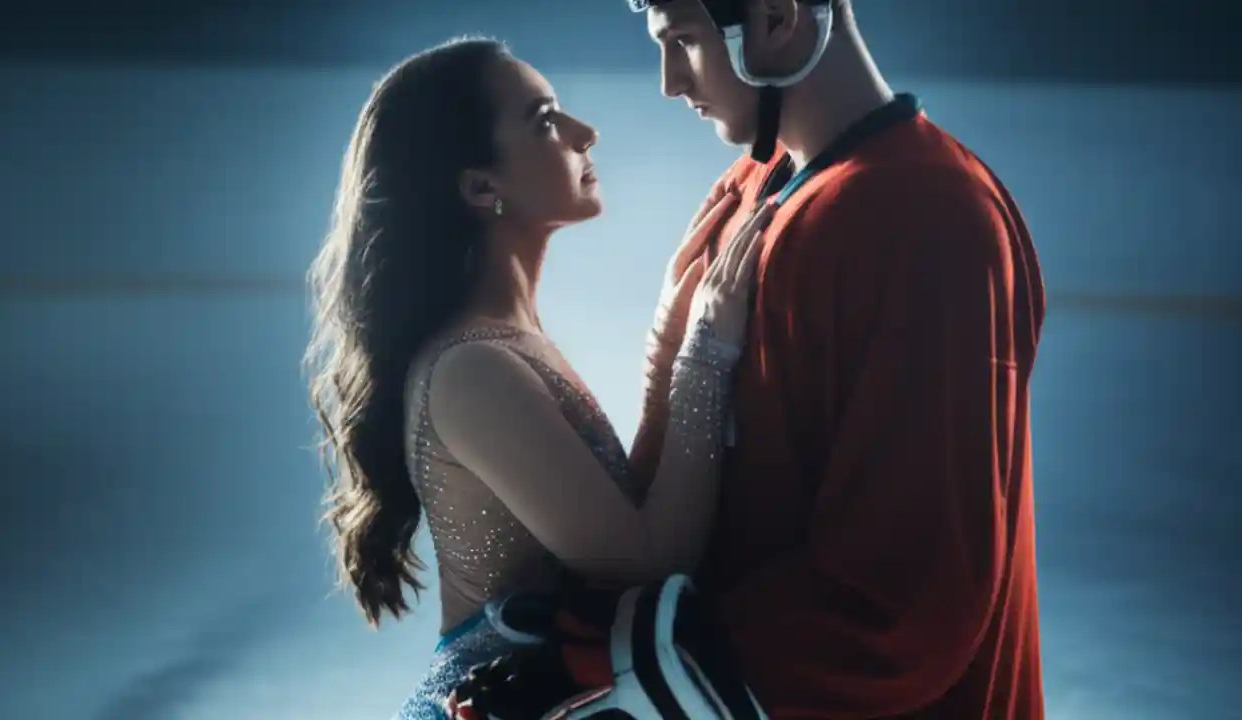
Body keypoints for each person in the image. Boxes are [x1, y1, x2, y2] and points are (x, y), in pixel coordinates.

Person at [453, 0, 1047, 717]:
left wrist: (609, 668)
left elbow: (903, 604)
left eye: (684, 43)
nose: (670, 82)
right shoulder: (749, 189)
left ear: (775, 17)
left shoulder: (931, 217)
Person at [303, 36, 775, 719]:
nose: (586, 134)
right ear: (481, 187)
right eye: (546, 120)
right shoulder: (471, 371)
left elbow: (629, 520)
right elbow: (648, 563)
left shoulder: (507, 343)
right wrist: (705, 353)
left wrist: (672, 339)